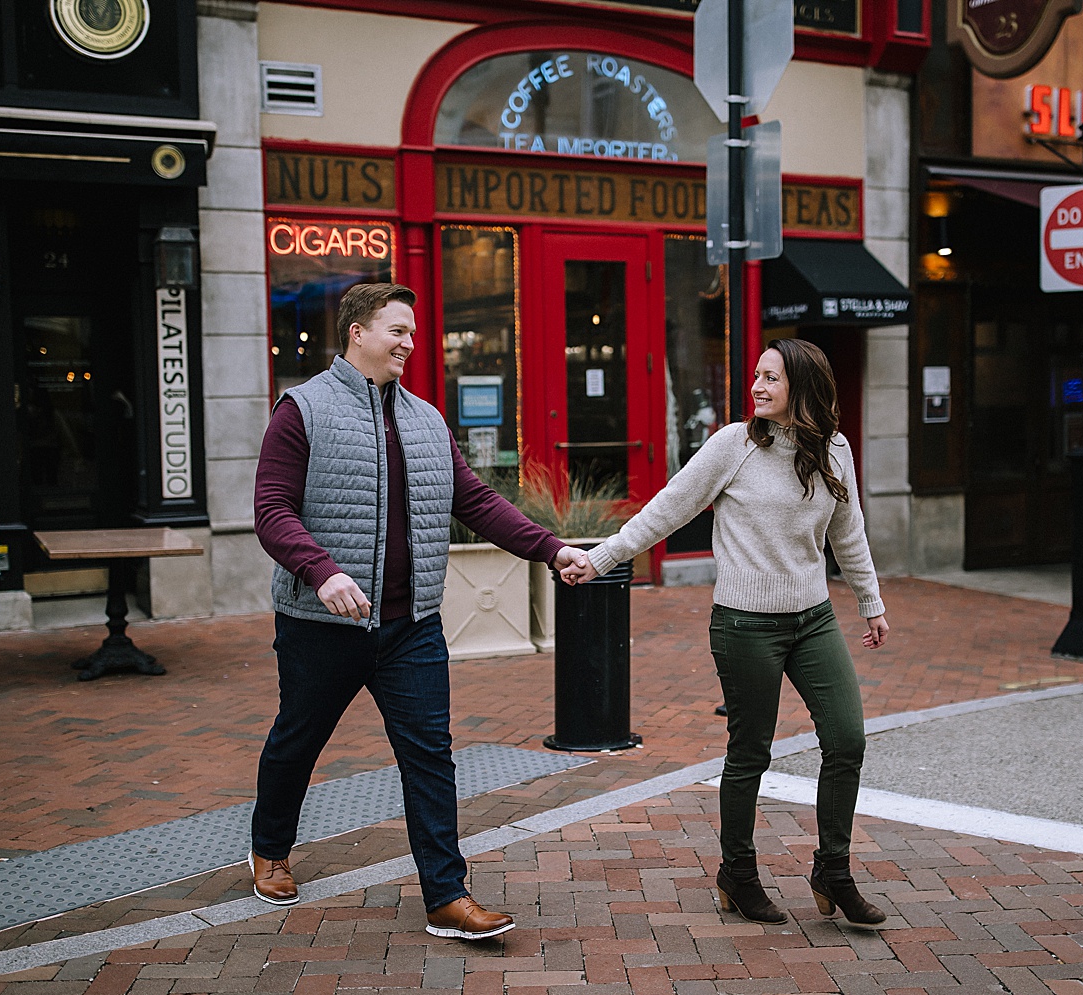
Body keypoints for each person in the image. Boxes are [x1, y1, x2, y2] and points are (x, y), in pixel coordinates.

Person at [251, 282, 589, 939]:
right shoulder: (303, 411)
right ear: (357, 332)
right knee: (298, 740)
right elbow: (271, 511)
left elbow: (477, 501)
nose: (410, 343)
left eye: (412, 332)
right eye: (396, 330)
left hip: (412, 627)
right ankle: (270, 847)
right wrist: (320, 572)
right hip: (324, 624)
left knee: (430, 753)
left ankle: (446, 896)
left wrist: (550, 548)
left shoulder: (426, 419)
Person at [562, 339, 891, 927]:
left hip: (813, 618)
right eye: (757, 376)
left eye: (772, 378)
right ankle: (737, 873)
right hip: (745, 625)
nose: (757, 387)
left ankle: (832, 870)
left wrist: (871, 602)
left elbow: (849, 531)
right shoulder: (732, 446)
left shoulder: (833, 449)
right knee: (751, 750)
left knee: (847, 740)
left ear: (805, 389)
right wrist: (605, 557)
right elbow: (670, 508)